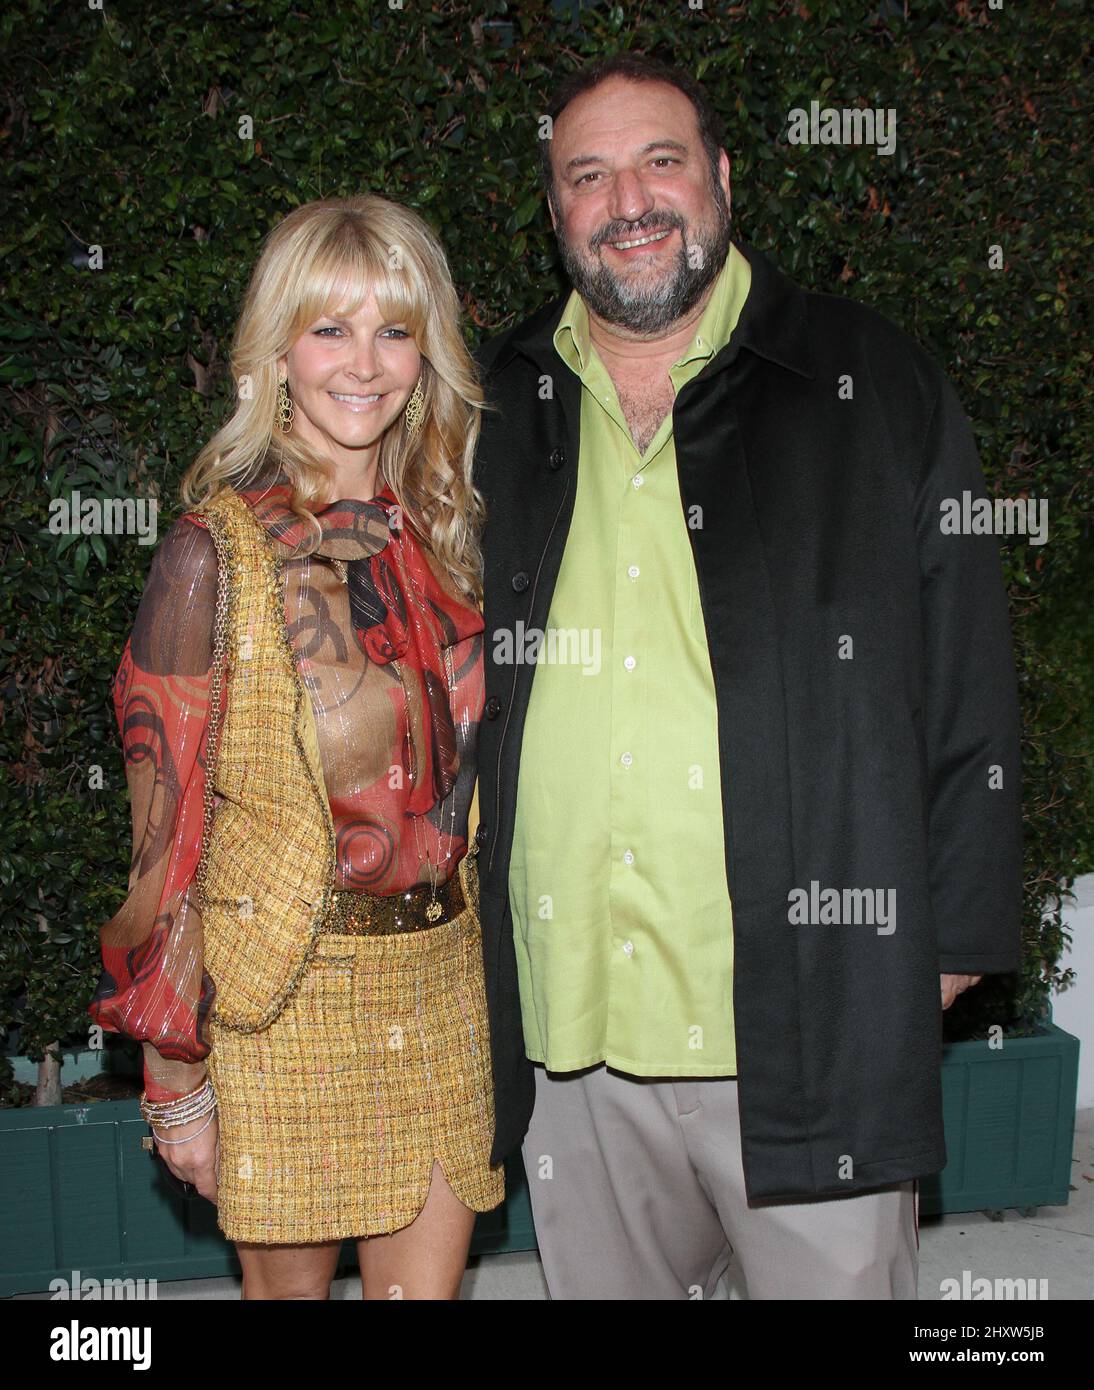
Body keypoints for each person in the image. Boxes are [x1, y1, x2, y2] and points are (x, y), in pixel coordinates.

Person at [471, 55, 1023, 1299]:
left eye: (659, 161)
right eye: (588, 174)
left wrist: (955, 932)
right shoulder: (495, 400)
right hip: (571, 1038)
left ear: (721, 177)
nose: (630, 199)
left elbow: (967, 667)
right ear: (554, 209)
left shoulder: (870, 381)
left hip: (812, 1014)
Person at [89, 194, 505, 1300]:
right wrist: (174, 1078)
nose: (361, 363)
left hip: (441, 989)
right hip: (284, 1006)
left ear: (427, 354)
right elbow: (160, 848)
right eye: (329, 328)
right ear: (275, 350)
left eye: (393, 328)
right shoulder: (208, 556)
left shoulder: (450, 538)